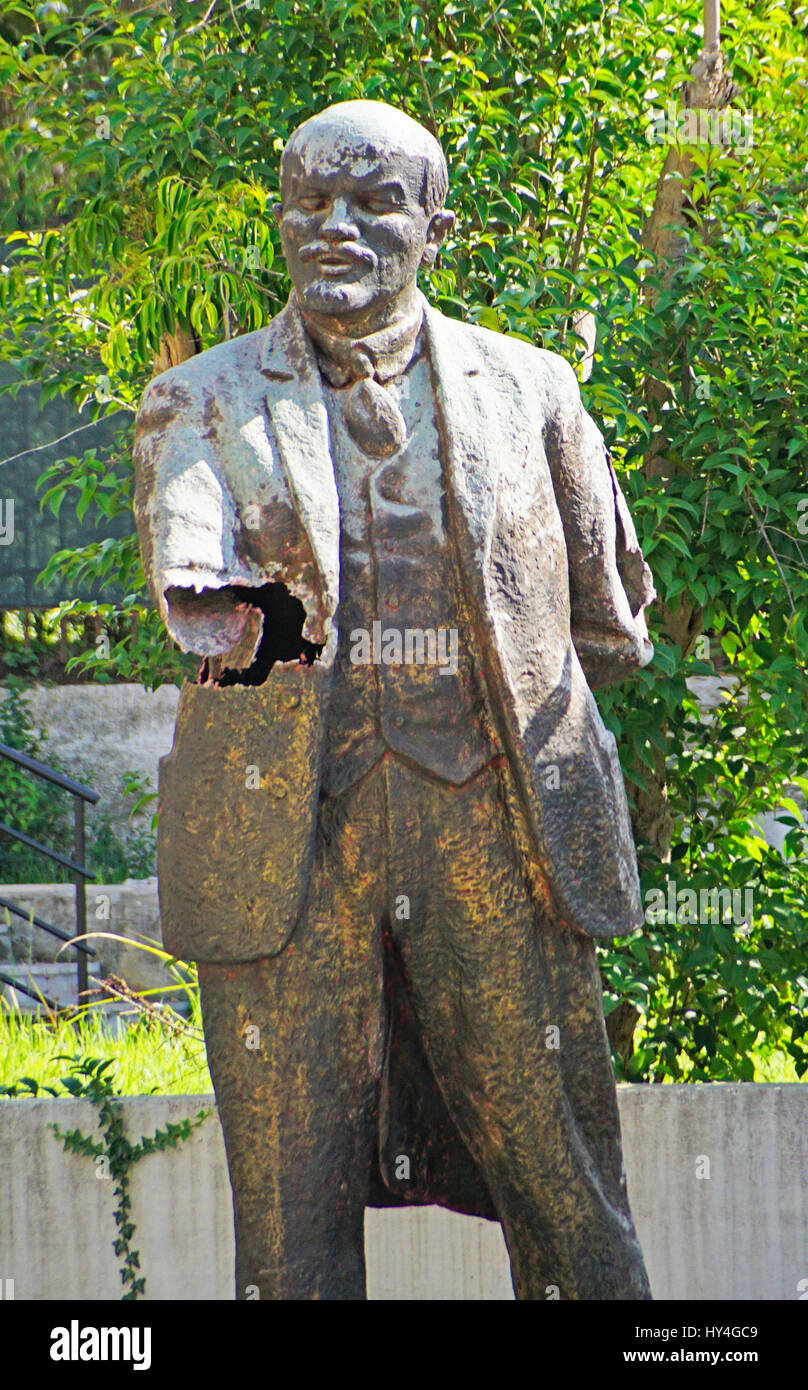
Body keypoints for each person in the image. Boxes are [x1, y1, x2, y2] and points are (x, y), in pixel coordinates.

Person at [133, 99, 655, 1300]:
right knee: (287, 1222)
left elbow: (604, 609)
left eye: (373, 203)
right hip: (287, 841)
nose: (336, 227)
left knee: (566, 1185)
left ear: (436, 225)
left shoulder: (531, 388)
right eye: (309, 201)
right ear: (278, 219)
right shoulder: (202, 399)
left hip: (499, 826)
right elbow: (202, 595)